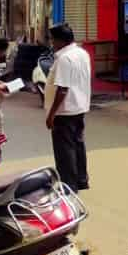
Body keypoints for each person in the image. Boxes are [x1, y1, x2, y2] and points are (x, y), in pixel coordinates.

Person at [46, 23, 92, 192]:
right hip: (79, 107)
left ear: (60, 40)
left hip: (65, 111)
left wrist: (51, 115)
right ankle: (81, 179)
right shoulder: (82, 53)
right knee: (77, 144)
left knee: (65, 149)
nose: (51, 43)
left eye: (52, 40)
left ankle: (68, 184)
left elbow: (62, 89)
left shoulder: (65, 58)